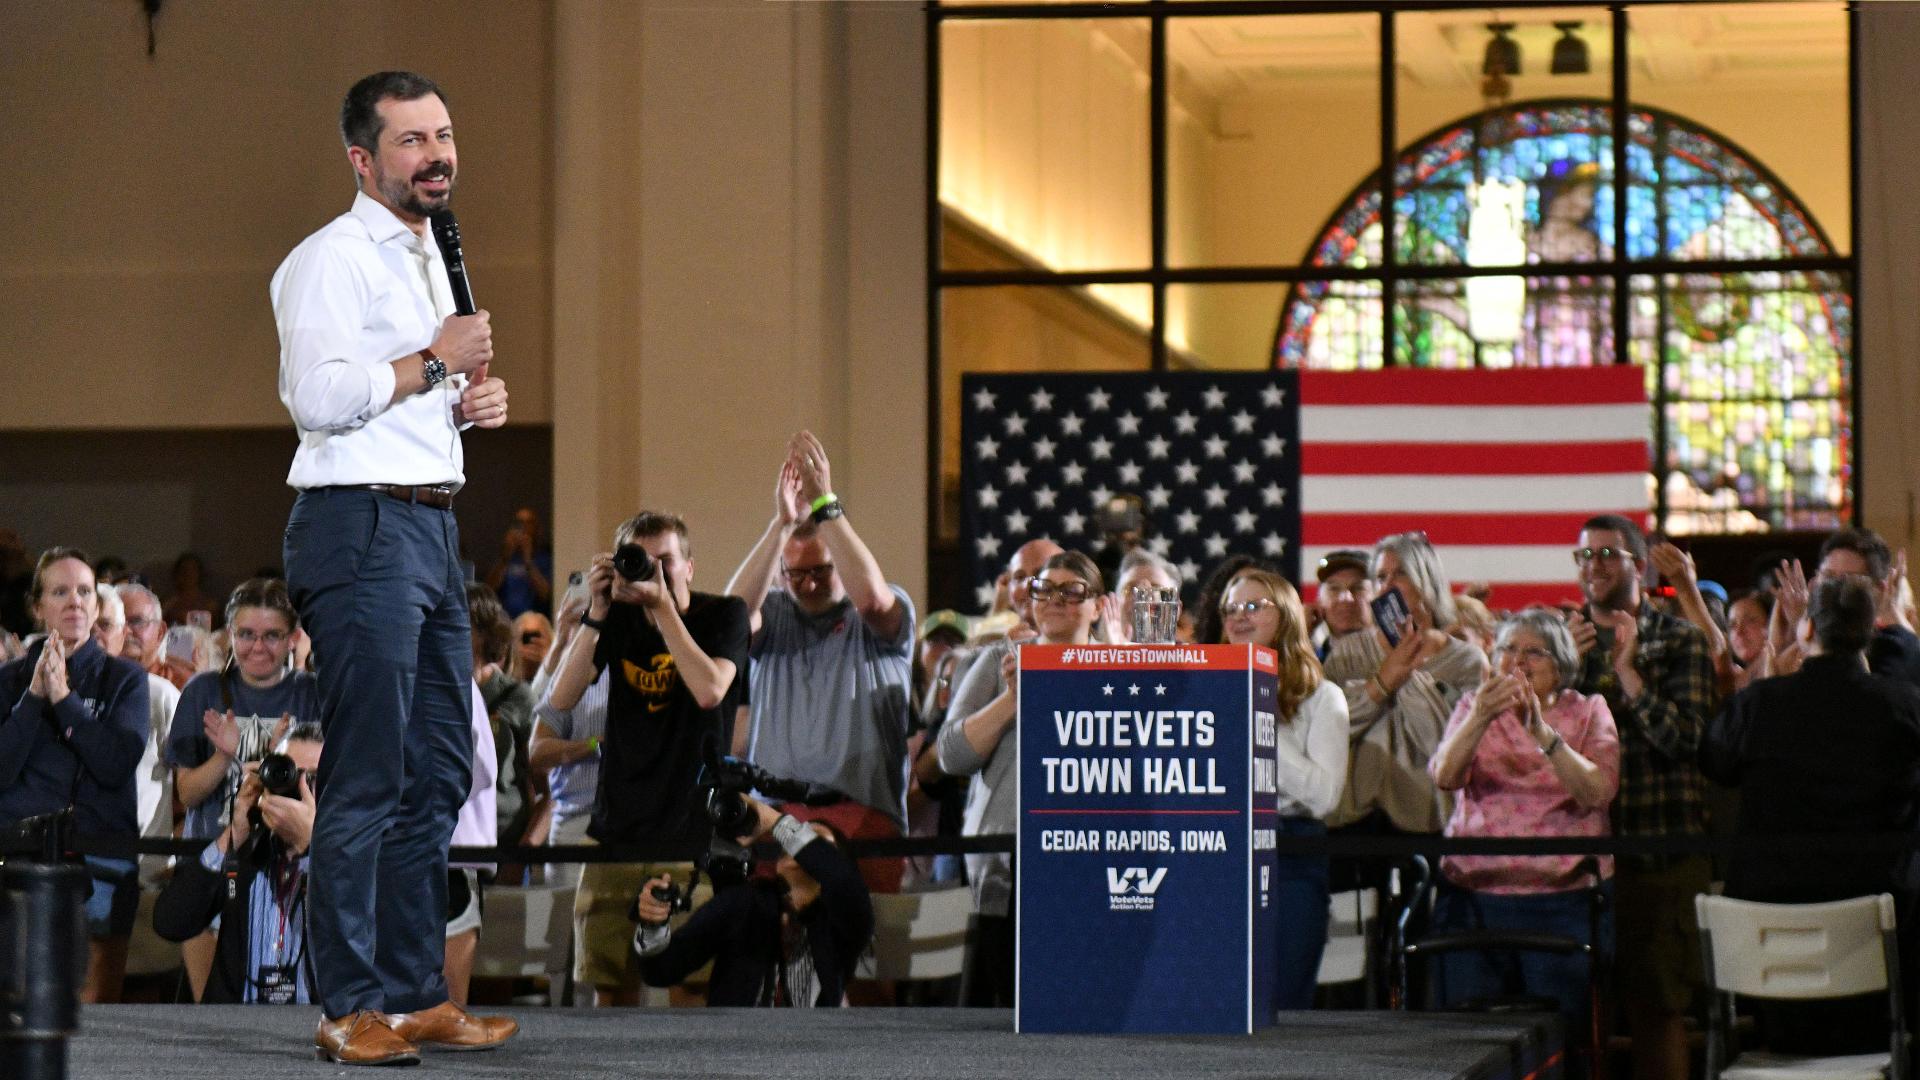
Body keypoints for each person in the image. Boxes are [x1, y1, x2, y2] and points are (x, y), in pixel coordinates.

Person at [274, 69, 515, 1063]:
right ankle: (347, 1008)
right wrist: (432, 360)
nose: (438, 155)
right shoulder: (327, 262)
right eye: (413, 141)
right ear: (362, 160)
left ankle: (418, 996)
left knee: (440, 770)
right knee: (369, 776)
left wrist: (460, 404)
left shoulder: (432, 253)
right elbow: (316, 396)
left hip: (428, 527)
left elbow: (415, 384)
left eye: (445, 135)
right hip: (357, 526)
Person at [1701, 573, 1920, 1056]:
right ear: (1870, 632)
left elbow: (1715, 764)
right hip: (1882, 941)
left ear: (1806, 631)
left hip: (1768, 949)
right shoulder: (1905, 707)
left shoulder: (1760, 705)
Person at [547, 511, 748, 1006]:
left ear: (690, 567)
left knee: (689, 986)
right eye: (642, 561)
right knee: (610, 986)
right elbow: (561, 699)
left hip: (690, 831)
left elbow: (710, 691)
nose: (655, 572)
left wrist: (662, 612)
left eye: (666, 561)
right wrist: (594, 613)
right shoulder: (615, 620)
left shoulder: (724, 615)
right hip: (617, 828)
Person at [726, 431, 915, 893]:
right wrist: (780, 525)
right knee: (771, 948)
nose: (809, 584)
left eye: (822, 571)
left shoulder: (883, 612)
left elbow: (871, 599)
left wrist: (825, 504)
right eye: (796, 575)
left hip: (863, 814)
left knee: (867, 956)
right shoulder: (773, 614)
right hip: (776, 815)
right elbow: (729, 620)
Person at [1566, 513, 1714, 1080]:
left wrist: (1628, 676)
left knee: (1658, 1010)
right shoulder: (1562, 641)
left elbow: (1689, 742)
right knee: (1579, 1014)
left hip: (1655, 854)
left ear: (1639, 564)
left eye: (1608, 554)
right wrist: (1569, 670)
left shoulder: (1680, 639)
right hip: (1572, 860)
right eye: (1585, 555)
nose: (1594, 566)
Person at [1428, 610, 1619, 1042]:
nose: (1518, 661)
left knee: (1563, 1036)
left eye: (1534, 651)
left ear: (1563, 662)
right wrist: (1479, 718)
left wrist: (1545, 735)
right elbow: (1445, 776)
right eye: (1508, 649)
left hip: (1562, 899)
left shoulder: (1590, 711)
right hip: (1474, 896)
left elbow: (1597, 791)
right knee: (1467, 1037)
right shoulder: (1470, 707)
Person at [938, 550, 1104, 1006]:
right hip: (1005, 868)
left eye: (1072, 591)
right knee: (1005, 1015)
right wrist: (1013, 698)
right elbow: (951, 756)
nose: (1054, 600)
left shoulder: (1118, 672)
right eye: (1043, 589)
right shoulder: (998, 660)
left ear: (1099, 606)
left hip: (1093, 866)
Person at [0, 548, 149, 1003]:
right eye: (60, 592)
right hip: (17, 859)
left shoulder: (125, 680)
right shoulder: (7, 682)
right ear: (37, 606)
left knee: (97, 1020)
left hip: (100, 855)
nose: (75, 602)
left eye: (84, 591)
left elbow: (114, 762)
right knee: (19, 1010)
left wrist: (64, 699)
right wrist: (32, 700)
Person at [165, 578, 320, 1002]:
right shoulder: (203, 691)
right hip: (214, 866)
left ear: (292, 638)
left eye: (272, 636)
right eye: (247, 634)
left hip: (288, 874)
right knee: (212, 1008)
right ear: (230, 634)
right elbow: (188, 794)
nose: (258, 647)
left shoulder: (312, 693)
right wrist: (223, 757)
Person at [1218, 568, 1349, 1009]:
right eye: (1231, 609)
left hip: (1290, 855)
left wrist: (1257, 724)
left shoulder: (1322, 697)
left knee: (1284, 1005)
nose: (1239, 617)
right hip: (1216, 850)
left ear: (1288, 615)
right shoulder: (1206, 692)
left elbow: (1324, 796)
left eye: (1254, 606)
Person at [632, 794, 873, 1007]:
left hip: (815, 1051)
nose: (795, 845)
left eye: (812, 838)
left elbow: (843, 881)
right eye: (794, 839)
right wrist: (653, 925)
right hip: (738, 1050)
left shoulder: (843, 921)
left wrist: (773, 821)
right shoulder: (745, 904)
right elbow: (661, 972)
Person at [1324, 533, 1489, 839]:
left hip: (1434, 823)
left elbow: (1443, 743)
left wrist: (1406, 667)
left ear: (1427, 581)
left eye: (1400, 574)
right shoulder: (1348, 653)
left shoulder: (1467, 661)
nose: (1386, 586)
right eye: (1380, 576)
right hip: (1354, 826)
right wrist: (1384, 680)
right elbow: (1330, 732)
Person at [153, 723, 323, 1004]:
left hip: (316, 1031)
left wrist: (311, 849)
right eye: (290, 775)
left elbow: (360, 935)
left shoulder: (355, 863)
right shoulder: (247, 853)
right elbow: (170, 923)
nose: (300, 789)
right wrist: (233, 836)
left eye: (314, 779)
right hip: (235, 1031)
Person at [99, 584, 181, 891]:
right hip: (80, 868)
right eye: (114, 622)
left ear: (160, 632)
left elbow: (189, 786)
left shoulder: (163, 695)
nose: (128, 631)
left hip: (148, 874)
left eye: (137, 621)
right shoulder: (63, 691)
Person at [469, 583, 544, 882]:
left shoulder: (516, 697)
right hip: (450, 851)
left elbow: (548, 793)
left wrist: (519, 860)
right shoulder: (434, 698)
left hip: (505, 849)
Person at [1101, 548, 1183, 645]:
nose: (1142, 596)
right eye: (1130, 589)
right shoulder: (1089, 658)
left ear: (1176, 609)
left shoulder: (1198, 658)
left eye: (1156, 589)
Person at [485, 507, 553, 619]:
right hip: (505, 621)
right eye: (519, 523)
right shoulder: (504, 559)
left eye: (528, 523)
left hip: (534, 620)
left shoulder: (545, 559)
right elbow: (488, 591)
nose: (523, 528)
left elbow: (545, 594)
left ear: (536, 529)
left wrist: (528, 560)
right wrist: (505, 557)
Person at [1312, 549, 1373, 660]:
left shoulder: (1401, 654)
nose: (1345, 598)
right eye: (1334, 588)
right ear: (1319, 601)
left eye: (1358, 588)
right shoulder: (1304, 658)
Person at [509, 610, 552, 684]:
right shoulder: (505, 679)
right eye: (526, 638)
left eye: (536, 636)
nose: (532, 644)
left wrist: (548, 663)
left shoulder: (560, 676)